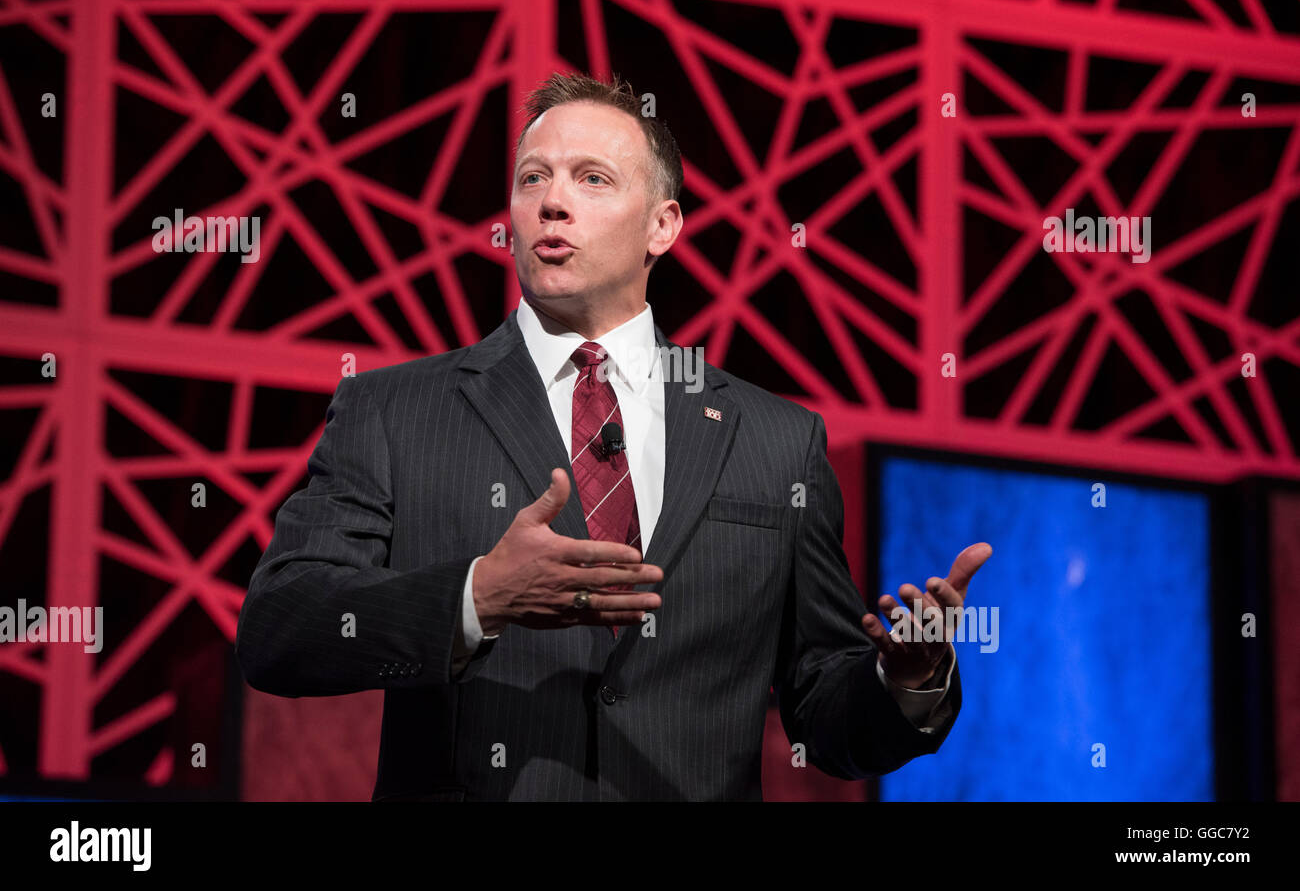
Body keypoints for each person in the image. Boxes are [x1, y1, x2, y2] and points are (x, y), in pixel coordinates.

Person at [235, 71, 992, 801]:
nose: (552, 202)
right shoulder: (393, 410)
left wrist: (906, 678)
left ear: (661, 225)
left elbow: (824, 711)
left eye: (591, 179)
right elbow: (280, 625)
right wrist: (477, 597)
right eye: (533, 179)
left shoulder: (778, 441)